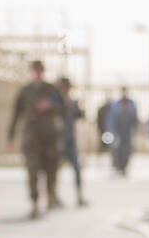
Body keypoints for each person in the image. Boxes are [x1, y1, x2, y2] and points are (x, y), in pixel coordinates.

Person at [7, 60, 64, 218]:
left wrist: (49, 105)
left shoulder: (51, 90)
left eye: (40, 71)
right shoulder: (25, 91)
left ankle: (51, 195)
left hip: (49, 137)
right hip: (31, 138)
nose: (38, 73)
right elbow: (16, 115)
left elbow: (62, 106)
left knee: (51, 170)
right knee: (32, 170)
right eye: (35, 71)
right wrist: (11, 137)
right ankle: (34, 202)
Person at [57, 76, 88, 206]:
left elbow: (80, 116)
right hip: (58, 141)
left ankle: (79, 197)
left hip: (70, 141)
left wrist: (80, 106)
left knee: (76, 169)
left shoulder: (71, 102)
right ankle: (53, 197)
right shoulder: (56, 101)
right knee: (54, 171)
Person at [107, 88, 138, 175]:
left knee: (127, 150)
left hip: (127, 131)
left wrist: (135, 128)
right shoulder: (115, 105)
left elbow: (135, 118)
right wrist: (111, 131)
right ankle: (118, 166)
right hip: (117, 131)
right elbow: (111, 119)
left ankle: (124, 166)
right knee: (116, 149)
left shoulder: (132, 104)